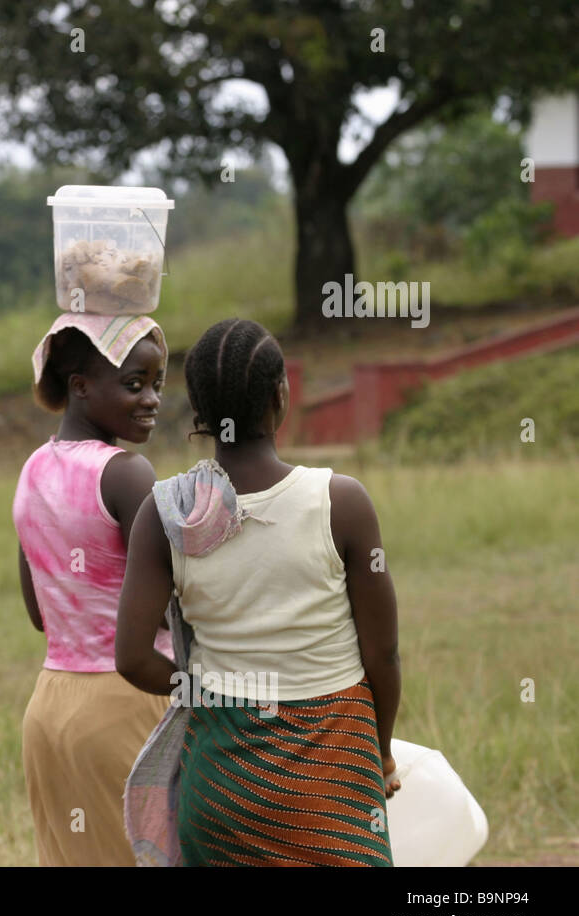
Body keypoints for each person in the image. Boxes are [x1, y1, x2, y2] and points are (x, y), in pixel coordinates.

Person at [116, 318, 401, 866]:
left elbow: (130, 658)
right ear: (281, 395)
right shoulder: (341, 502)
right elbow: (383, 654)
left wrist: (202, 690)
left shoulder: (167, 512)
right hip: (333, 769)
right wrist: (381, 753)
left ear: (197, 407)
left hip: (222, 780)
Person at [13, 313, 174, 866]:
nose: (151, 399)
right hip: (129, 697)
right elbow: (167, 611)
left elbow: (39, 612)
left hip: (51, 708)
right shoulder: (128, 474)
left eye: (156, 384)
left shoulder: (33, 470)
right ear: (79, 387)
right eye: (134, 384)